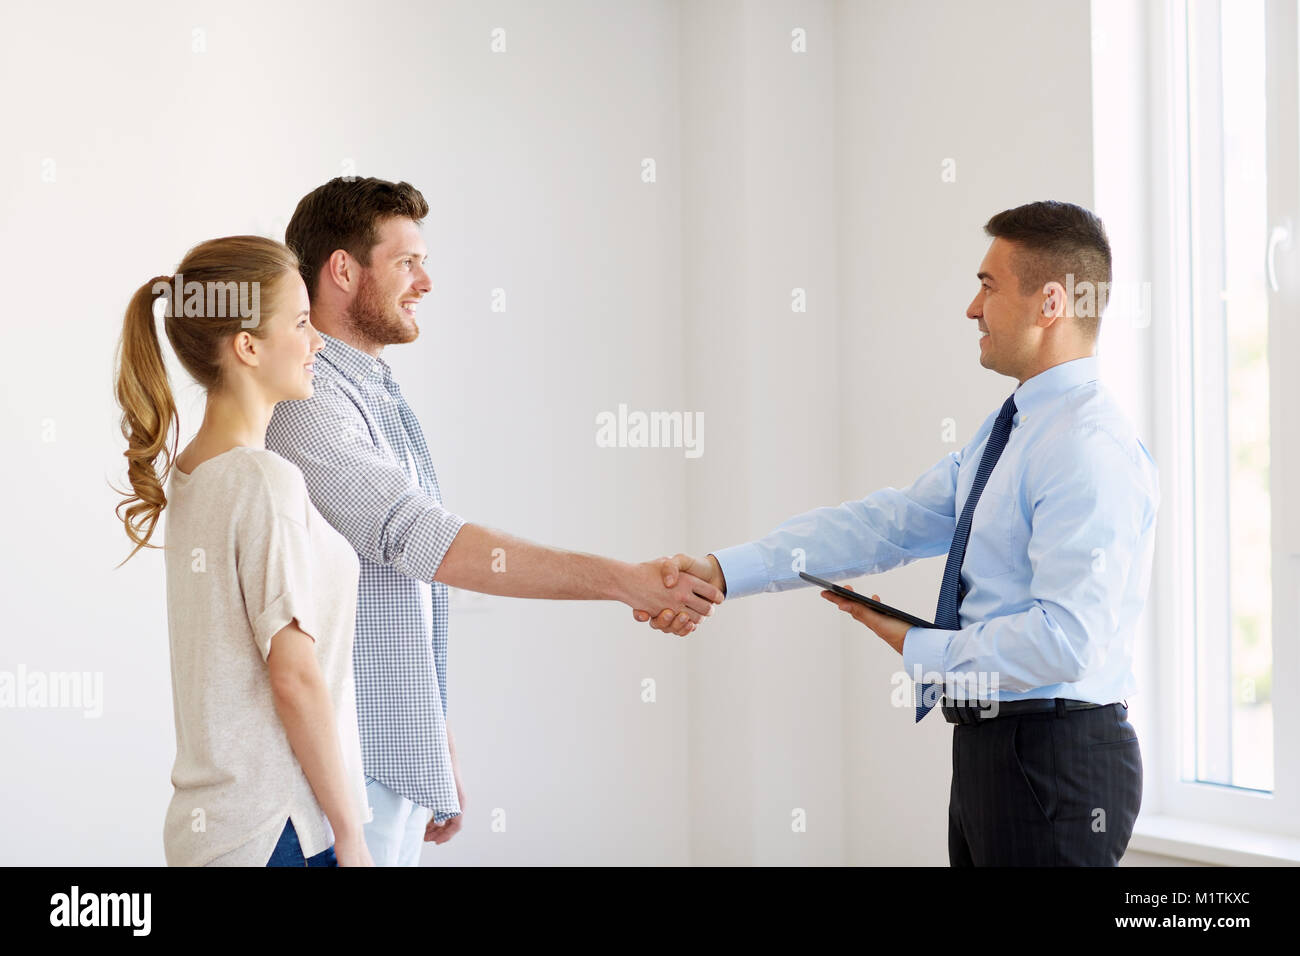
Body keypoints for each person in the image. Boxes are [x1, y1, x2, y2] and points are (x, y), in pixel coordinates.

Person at [646, 201, 1159, 866]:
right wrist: (723, 570)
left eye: (988, 285)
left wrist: (918, 644)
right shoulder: (1016, 430)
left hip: (1055, 760)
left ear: (1051, 302)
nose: (972, 309)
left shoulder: (1088, 448)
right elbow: (887, 525)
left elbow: (1066, 641)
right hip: (995, 751)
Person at [265, 177, 724, 866]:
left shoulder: (370, 389)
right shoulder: (308, 405)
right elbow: (416, 538)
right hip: (337, 779)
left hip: (383, 768)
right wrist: (625, 582)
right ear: (342, 270)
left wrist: (431, 744)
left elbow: (398, 594)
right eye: (407, 262)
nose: (426, 282)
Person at [112, 236, 374, 866]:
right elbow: (294, 676)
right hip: (279, 831)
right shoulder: (262, 480)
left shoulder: (194, 474)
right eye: (302, 322)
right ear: (248, 346)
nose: (316, 343)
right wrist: (352, 834)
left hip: (216, 836)